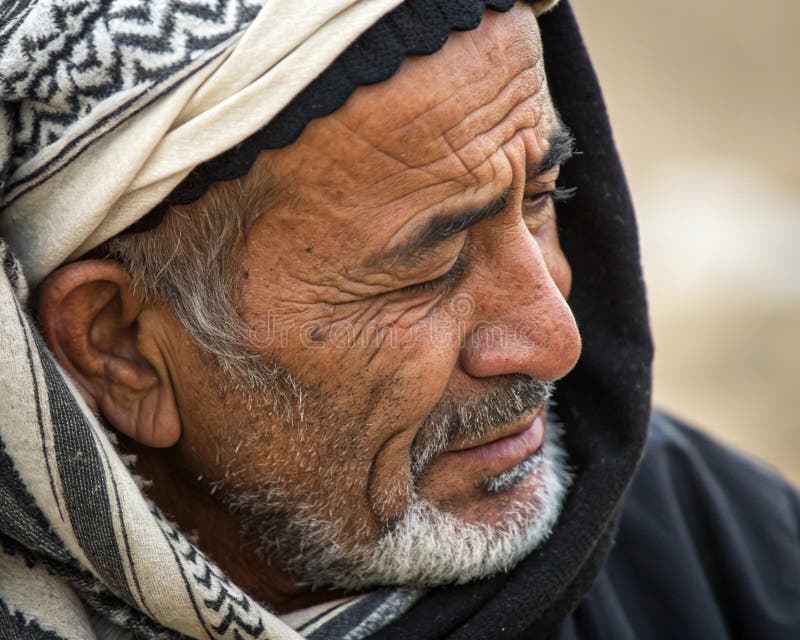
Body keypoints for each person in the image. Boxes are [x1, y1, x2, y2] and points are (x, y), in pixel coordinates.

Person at [0, 1, 797, 638]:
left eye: (540, 198)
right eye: (427, 269)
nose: (556, 342)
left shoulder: (727, 552)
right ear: (120, 348)